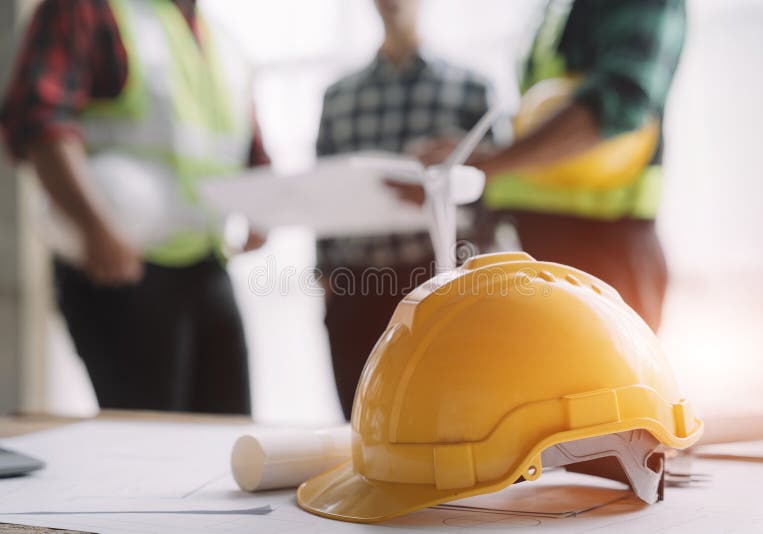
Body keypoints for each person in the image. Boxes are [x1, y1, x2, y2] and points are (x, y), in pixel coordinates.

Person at [0, 0, 269, 414]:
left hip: (206, 260)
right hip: (119, 267)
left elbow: (245, 144)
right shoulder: (90, 9)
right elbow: (39, 119)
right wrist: (95, 227)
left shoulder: (225, 44)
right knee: (148, 441)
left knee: (228, 434)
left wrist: (263, 207)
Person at [416, 0, 687, 331]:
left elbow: (619, 101)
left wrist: (487, 162)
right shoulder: (558, 9)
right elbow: (543, 110)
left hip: (603, 245)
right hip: (540, 242)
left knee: (603, 379)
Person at [316, 0, 499, 418]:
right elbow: (324, 196)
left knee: (449, 419)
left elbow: (499, 197)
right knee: (363, 421)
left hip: (441, 284)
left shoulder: (473, 90)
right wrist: (326, 279)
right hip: (355, 288)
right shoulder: (337, 98)